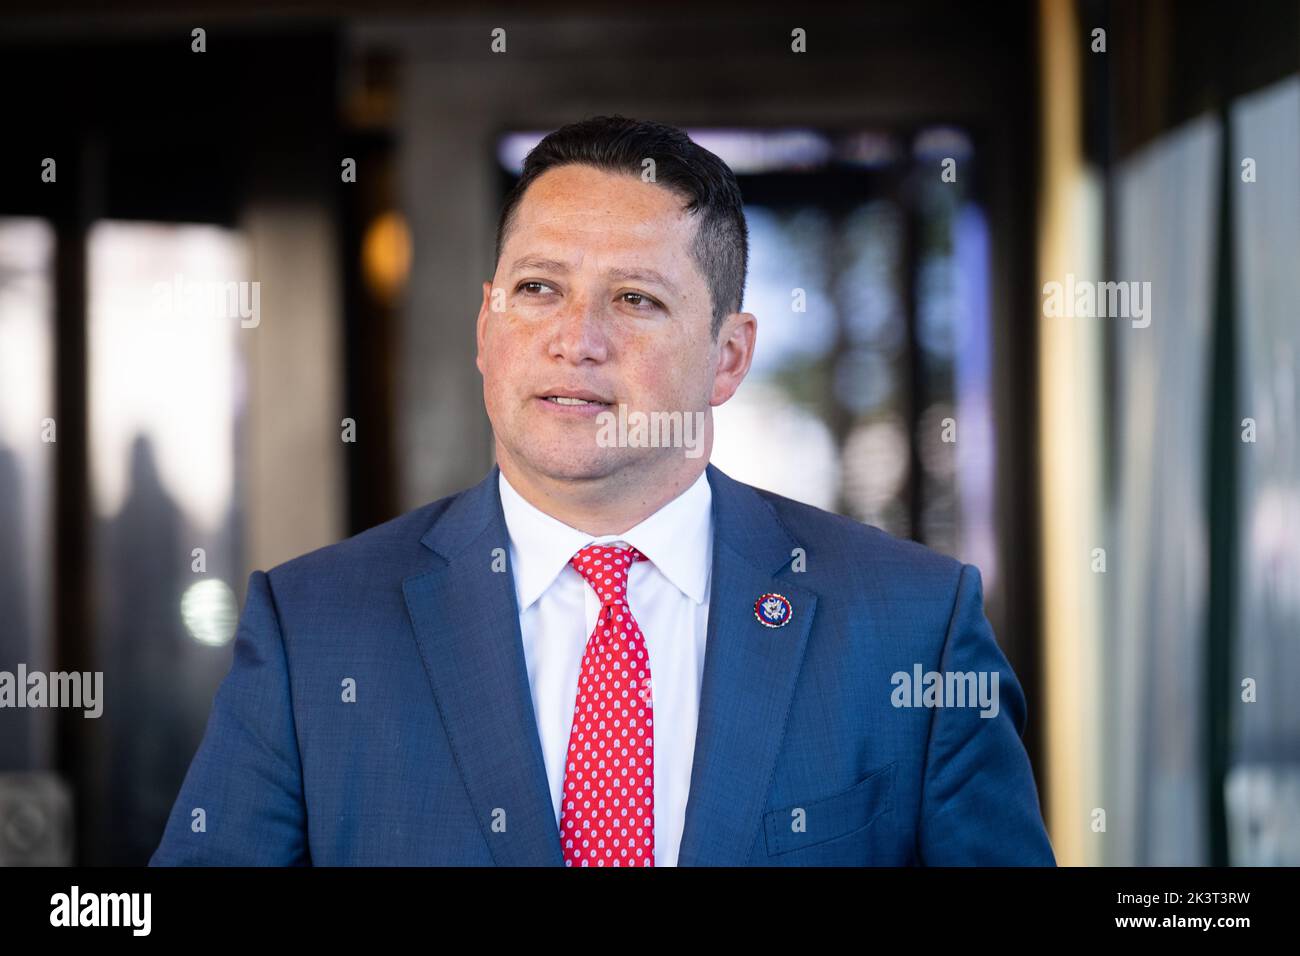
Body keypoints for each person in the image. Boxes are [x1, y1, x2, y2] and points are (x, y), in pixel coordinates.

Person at [151, 115, 1055, 866]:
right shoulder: (313, 627)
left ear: (728, 357)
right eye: (538, 288)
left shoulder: (912, 626)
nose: (575, 340)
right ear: (485, 325)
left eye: (635, 299)